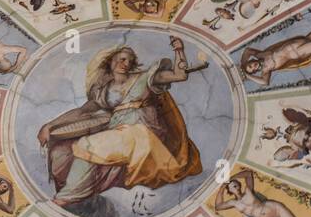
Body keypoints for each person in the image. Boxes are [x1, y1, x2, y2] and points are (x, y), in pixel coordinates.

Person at [37, 40, 202, 208]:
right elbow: (81, 111)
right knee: (63, 152)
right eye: (122, 59)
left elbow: (180, 75)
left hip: (142, 133)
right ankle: (81, 193)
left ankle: (67, 197)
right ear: (111, 61)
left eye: (130, 61)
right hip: (119, 133)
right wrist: (49, 125)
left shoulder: (145, 78)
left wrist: (179, 50)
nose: (126, 63)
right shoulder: (104, 90)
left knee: (85, 145)